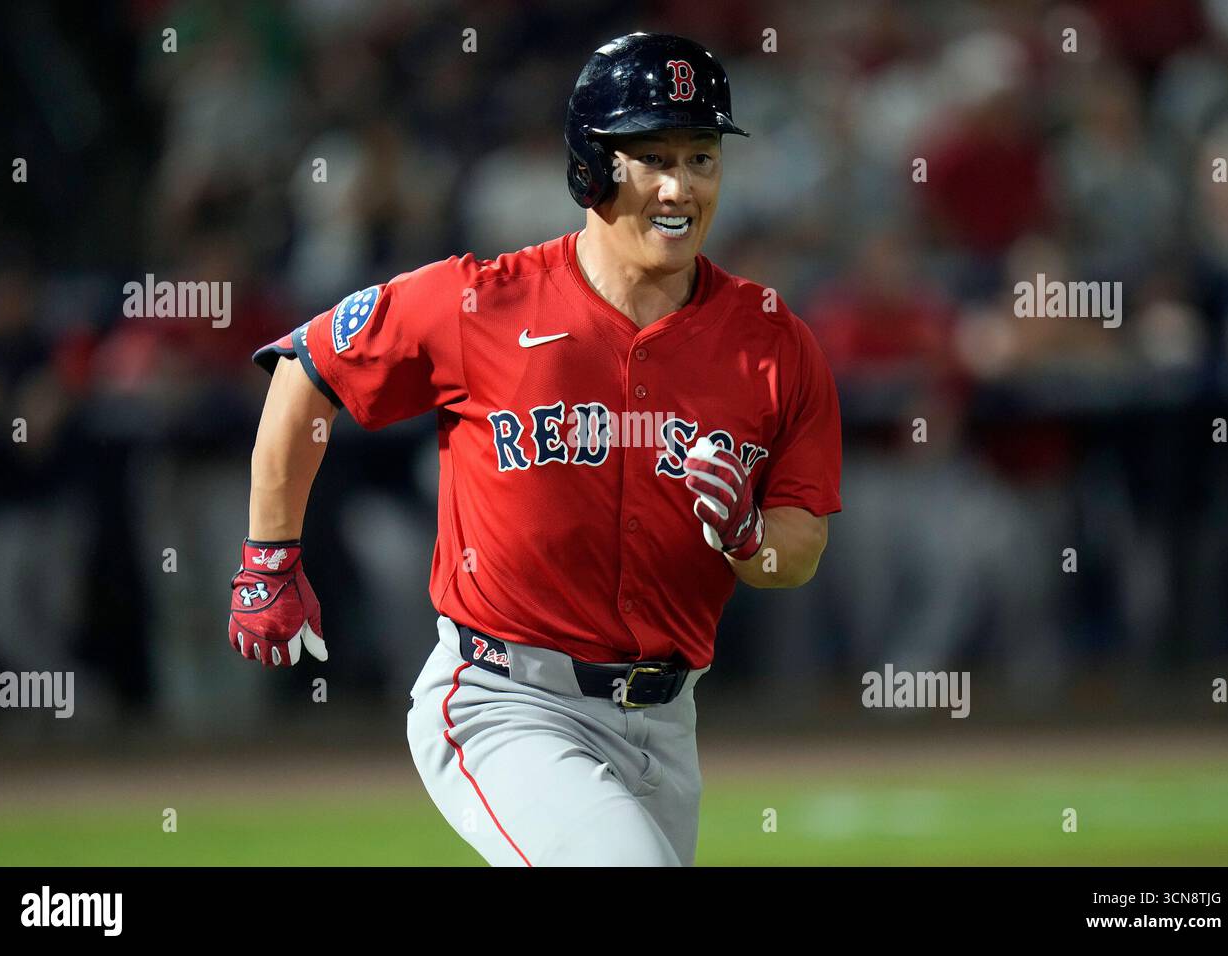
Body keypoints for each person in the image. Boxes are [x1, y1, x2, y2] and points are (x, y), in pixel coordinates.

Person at [228, 32, 842, 866]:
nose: (679, 185)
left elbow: (798, 551)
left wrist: (749, 540)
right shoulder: (481, 302)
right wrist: (270, 552)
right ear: (591, 168)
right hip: (505, 700)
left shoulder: (774, 342)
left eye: (700, 157)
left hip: (669, 719)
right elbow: (309, 369)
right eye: (650, 156)